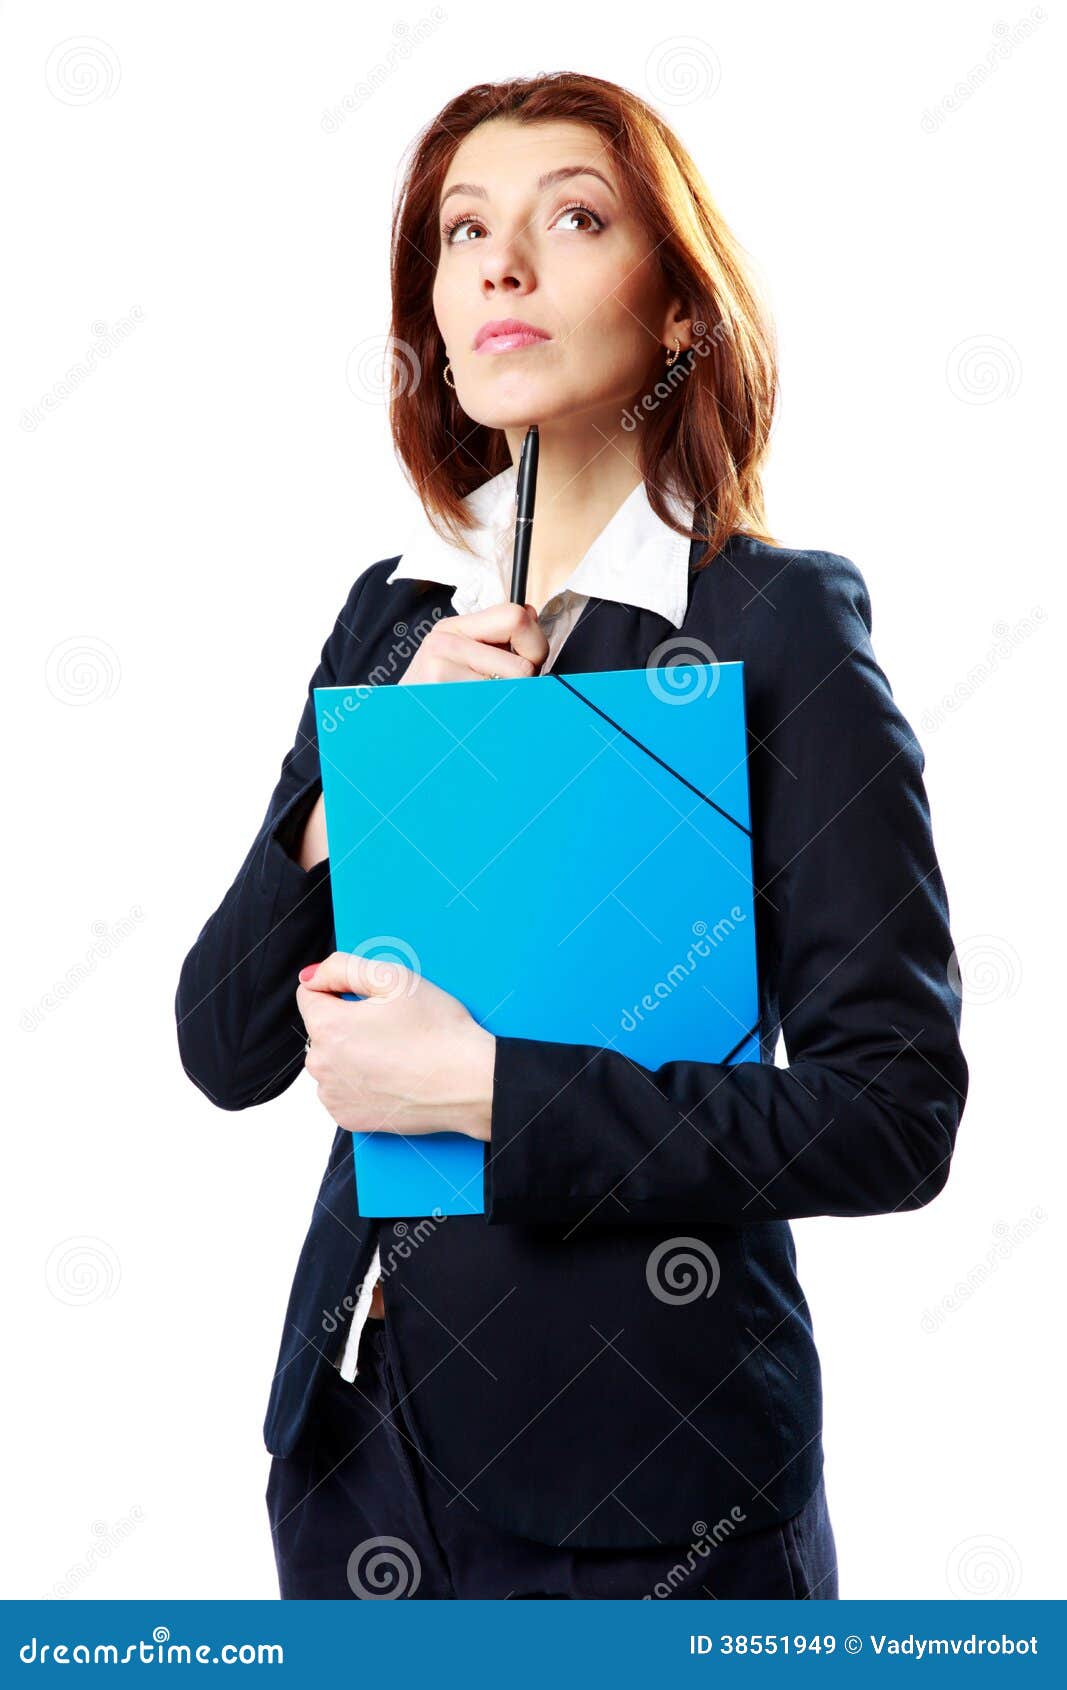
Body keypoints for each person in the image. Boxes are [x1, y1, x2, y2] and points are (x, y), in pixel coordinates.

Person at [174, 72, 969, 1600]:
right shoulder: (395, 613)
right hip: (359, 1468)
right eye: (465, 229)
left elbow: (895, 1111)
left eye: (574, 219)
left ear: (679, 312)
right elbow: (225, 1046)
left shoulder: (770, 623)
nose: (501, 265)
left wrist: (486, 1090)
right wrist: (371, 768)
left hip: (652, 1502)